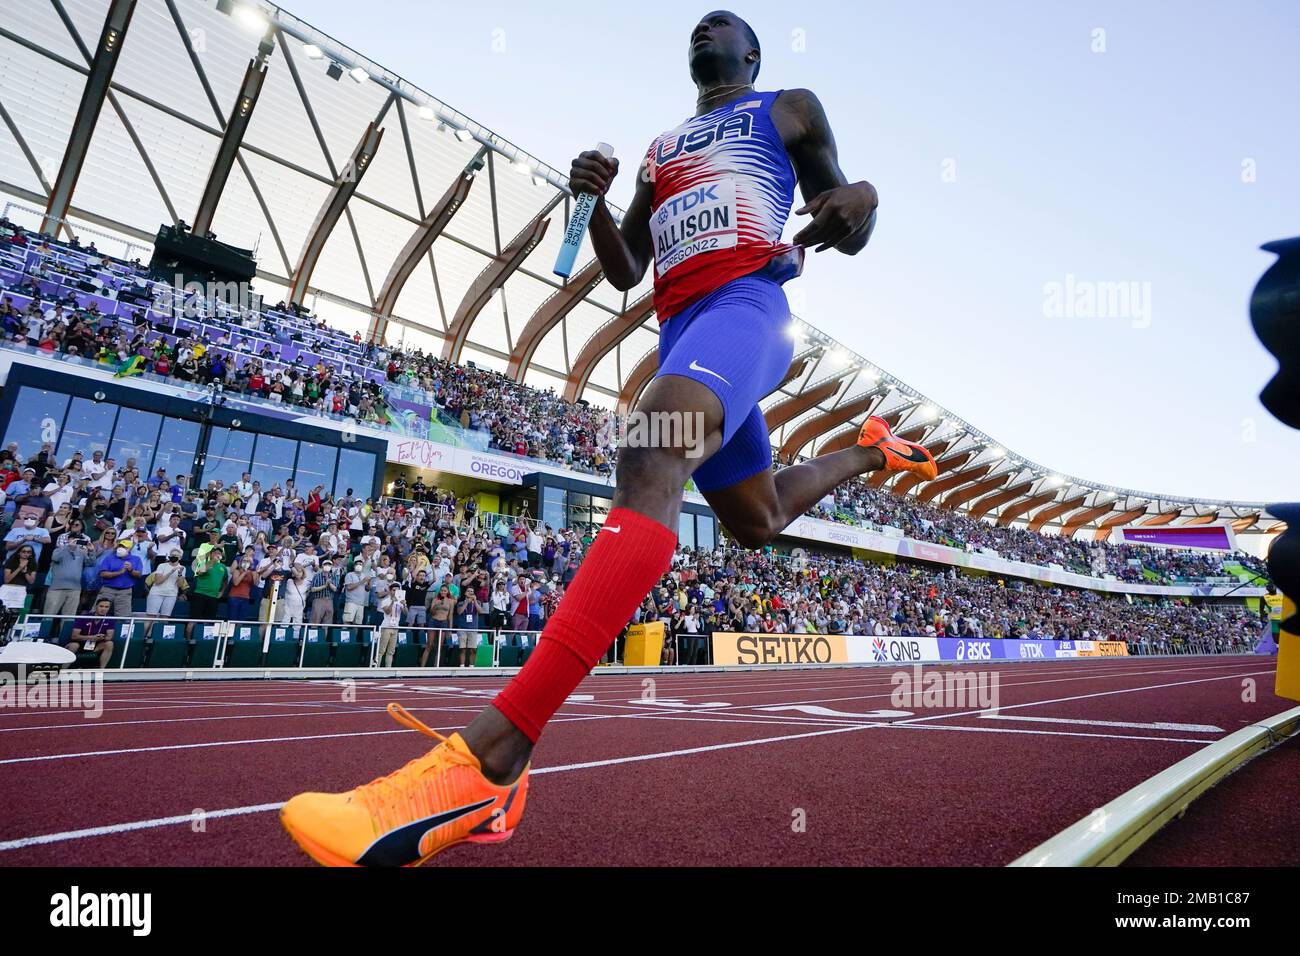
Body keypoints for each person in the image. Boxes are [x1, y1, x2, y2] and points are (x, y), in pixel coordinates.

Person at [280, 11, 937, 867]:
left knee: (649, 447)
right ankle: (874, 450)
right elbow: (627, 269)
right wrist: (585, 200)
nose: (706, 25)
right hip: (682, 329)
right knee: (757, 517)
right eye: (697, 24)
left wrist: (867, 200)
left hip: (749, 311)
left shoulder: (789, 108)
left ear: (751, 54)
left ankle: (492, 757)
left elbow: (845, 213)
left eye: (724, 23)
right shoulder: (662, 149)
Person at [66, 598, 116, 668]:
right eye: (101, 606)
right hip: (80, 644)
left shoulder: (110, 620)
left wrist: (101, 637)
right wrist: (91, 637)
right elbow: (74, 636)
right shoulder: (84, 617)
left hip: (96, 646)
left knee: (109, 643)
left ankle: (101, 671)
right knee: (74, 645)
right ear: (96, 606)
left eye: (106, 607)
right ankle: (63, 669)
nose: (103, 609)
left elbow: (109, 637)